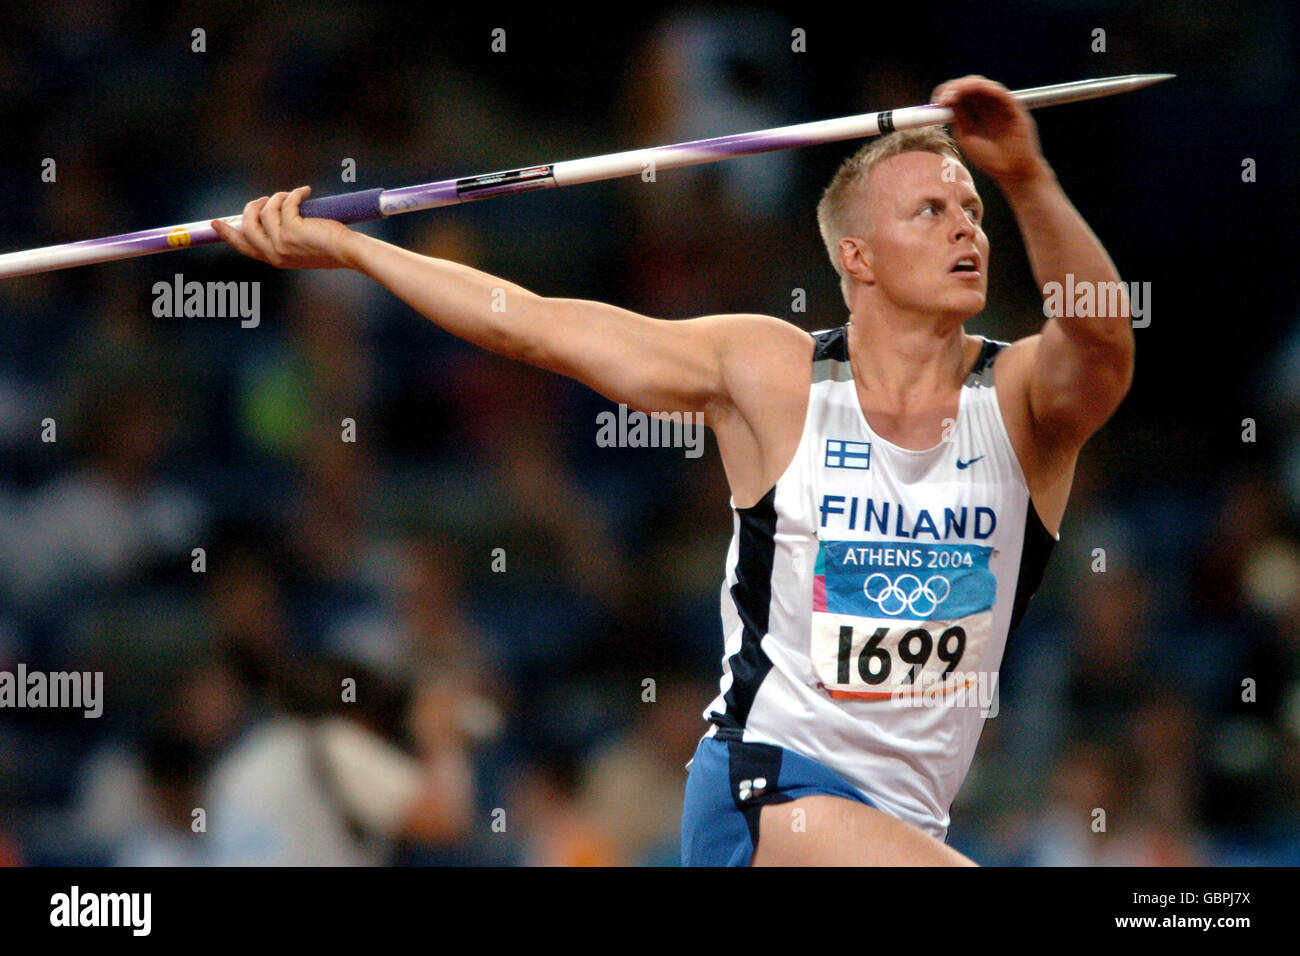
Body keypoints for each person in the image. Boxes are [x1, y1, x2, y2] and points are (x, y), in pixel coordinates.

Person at [211, 75, 1135, 866]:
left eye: (973, 211)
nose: (966, 228)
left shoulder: (1018, 400)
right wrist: (351, 249)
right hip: (767, 794)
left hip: (905, 827)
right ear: (856, 257)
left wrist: (1027, 178)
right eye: (931, 211)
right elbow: (528, 324)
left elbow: (1100, 341)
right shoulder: (771, 373)